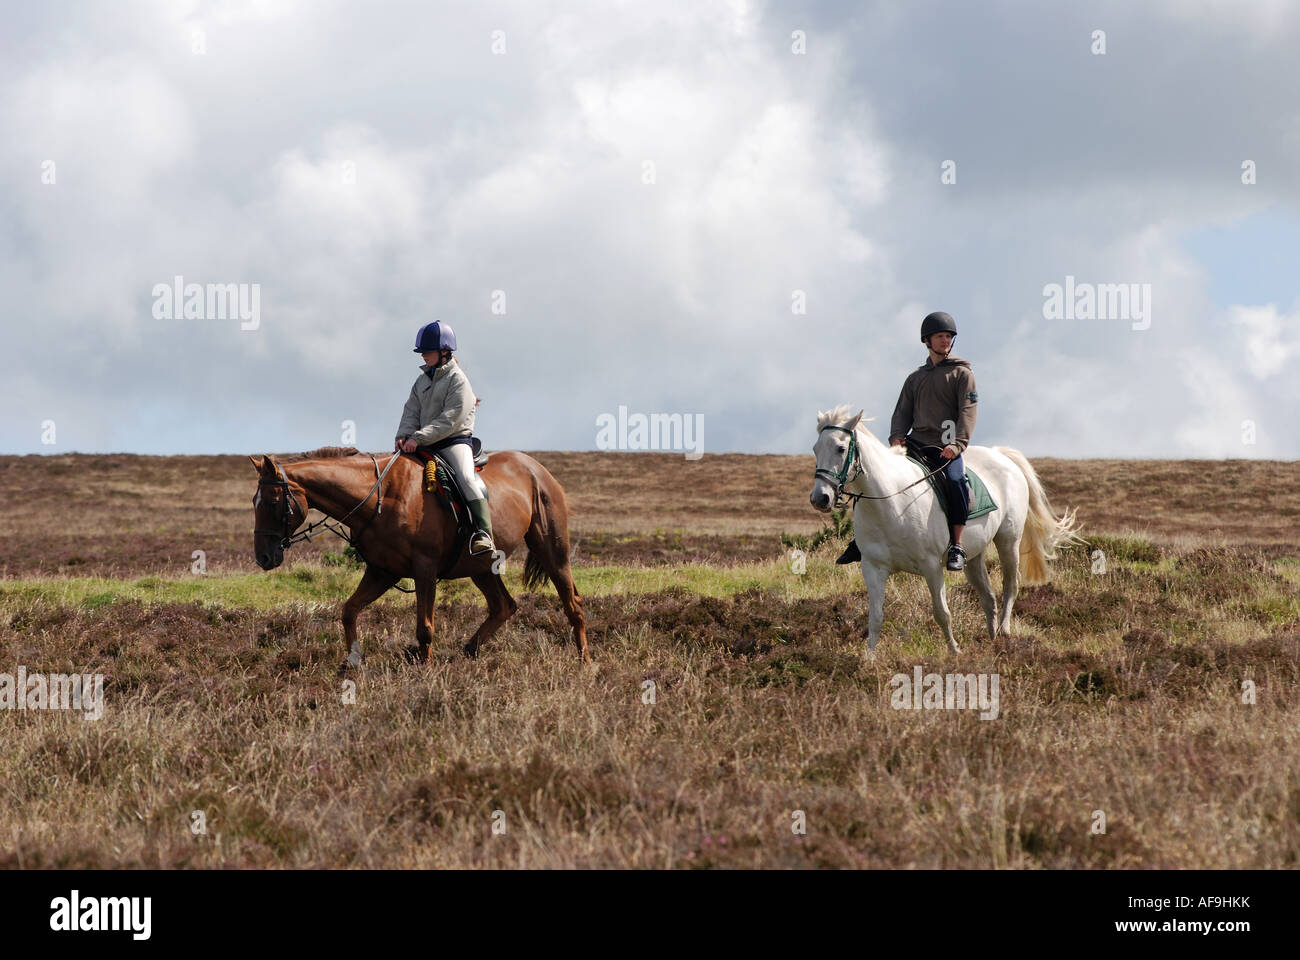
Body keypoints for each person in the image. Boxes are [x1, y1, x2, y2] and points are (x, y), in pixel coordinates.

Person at [836, 311, 978, 571]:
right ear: (927, 340)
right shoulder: (915, 379)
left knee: (957, 482)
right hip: (916, 446)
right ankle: (860, 539)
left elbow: (968, 413)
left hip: (947, 448)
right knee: (871, 478)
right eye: (940, 336)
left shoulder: (962, 374)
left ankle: (956, 545)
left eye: (948, 336)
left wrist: (957, 445)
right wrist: (897, 439)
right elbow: (901, 413)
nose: (945, 341)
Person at [395, 321, 494, 555]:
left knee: (466, 477)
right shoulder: (421, 381)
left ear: (444, 352)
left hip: (453, 442)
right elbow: (411, 411)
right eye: (422, 352)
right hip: (423, 442)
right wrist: (403, 435)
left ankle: (484, 533)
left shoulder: (458, 381)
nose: (423, 356)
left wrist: (417, 438)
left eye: (427, 352)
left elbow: (451, 419)